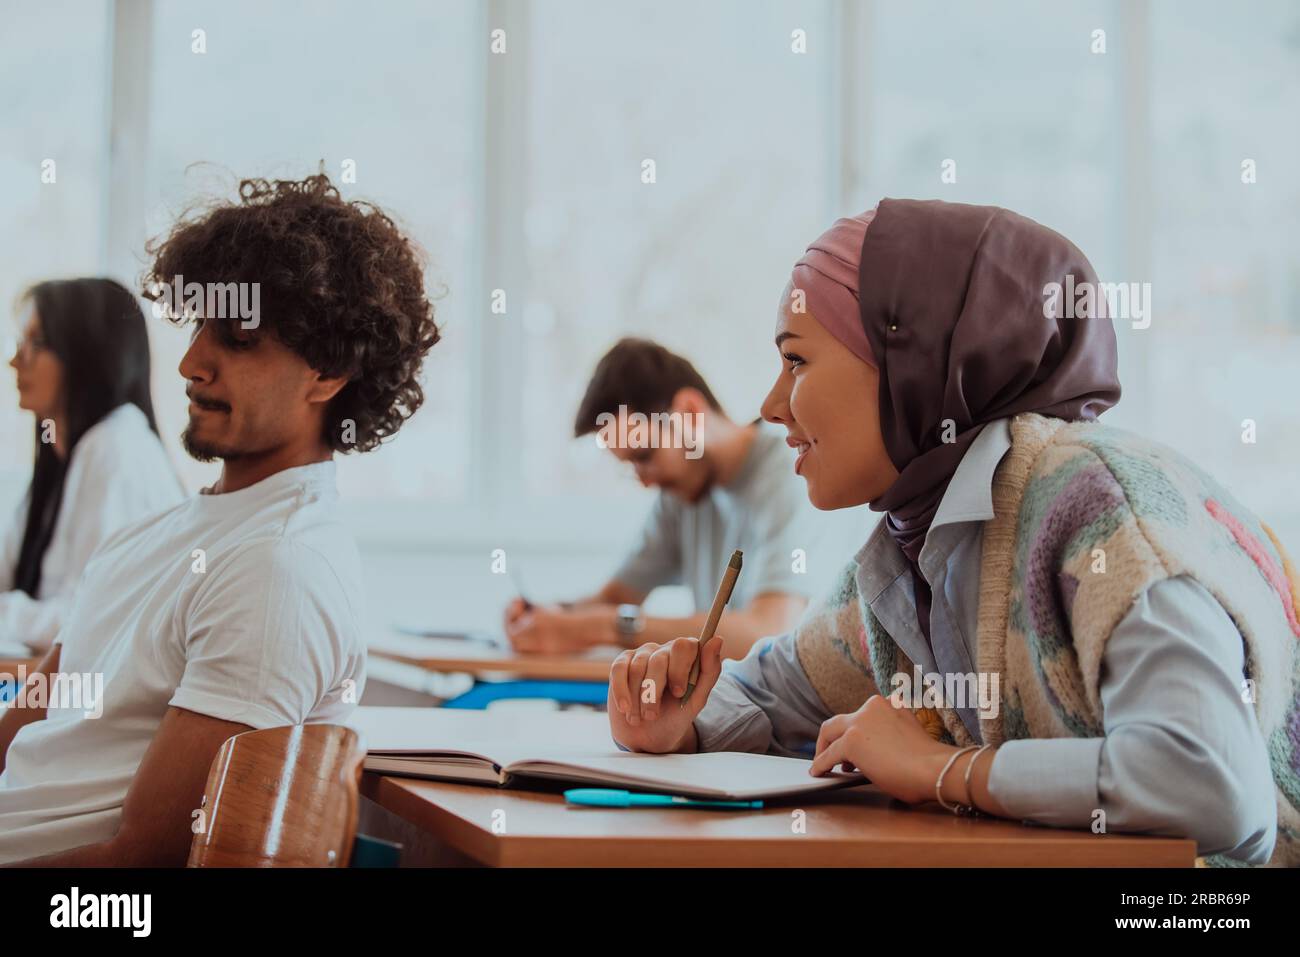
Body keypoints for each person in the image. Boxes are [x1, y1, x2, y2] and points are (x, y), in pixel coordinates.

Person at [607, 199, 1298, 867]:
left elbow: (1216, 787)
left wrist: (946, 771)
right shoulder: (909, 555)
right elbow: (766, 696)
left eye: (796, 361)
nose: (769, 405)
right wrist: (680, 722)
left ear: (909, 361)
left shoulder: (1095, 510)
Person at [0, 172, 440, 866]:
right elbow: (21, 728)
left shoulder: (278, 570)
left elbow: (141, 862)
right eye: (197, 326)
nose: (188, 362)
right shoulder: (161, 532)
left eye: (235, 338)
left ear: (326, 374)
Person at [506, 337, 838, 659]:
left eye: (644, 456)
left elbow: (766, 632)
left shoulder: (788, 465)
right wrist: (548, 616)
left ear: (690, 412)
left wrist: (595, 628)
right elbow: (616, 597)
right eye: (630, 467)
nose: (645, 482)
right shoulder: (682, 493)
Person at [1, 279, 182, 651]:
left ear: (86, 355)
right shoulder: (62, 458)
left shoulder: (116, 448)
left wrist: (7, 613)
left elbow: (90, 618)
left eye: (36, 343)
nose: (16, 360)